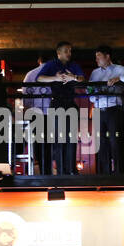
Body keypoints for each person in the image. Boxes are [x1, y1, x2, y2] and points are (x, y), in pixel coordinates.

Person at [35, 41, 86, 175]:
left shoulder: (74, 65)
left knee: (71, 138)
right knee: (58, 139)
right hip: (56, 103)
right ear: (59, 53)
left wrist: (72, 77)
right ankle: (61, 171)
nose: (69, 53)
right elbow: (39, 78)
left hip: (71, 103)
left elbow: (83, 79)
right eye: (66, 51)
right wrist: (55, 78)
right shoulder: (51, 65)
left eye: (70, 51)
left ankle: (71, 170)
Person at [89, 46, 124, 174]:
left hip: (115, 109)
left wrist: (119, 79)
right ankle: (105, 175)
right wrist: (94, 94)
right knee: (102, 143)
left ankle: (120, 174)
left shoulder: (119, 69)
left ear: (107, 56)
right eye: (96, 57)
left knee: (116, 142)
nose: (96, 59)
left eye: (99, 56)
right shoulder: (95, 73)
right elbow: (90, 92)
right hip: (99, 109)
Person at [20, 52, 53, 173]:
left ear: (39, 61)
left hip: (35, 113)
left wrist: (27, 111)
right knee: (50, 142)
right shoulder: (54, 72)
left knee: (38, 143)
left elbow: (26, 94)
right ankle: (48, 169)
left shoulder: (30, 74)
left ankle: (40, 169)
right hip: (50, 112)